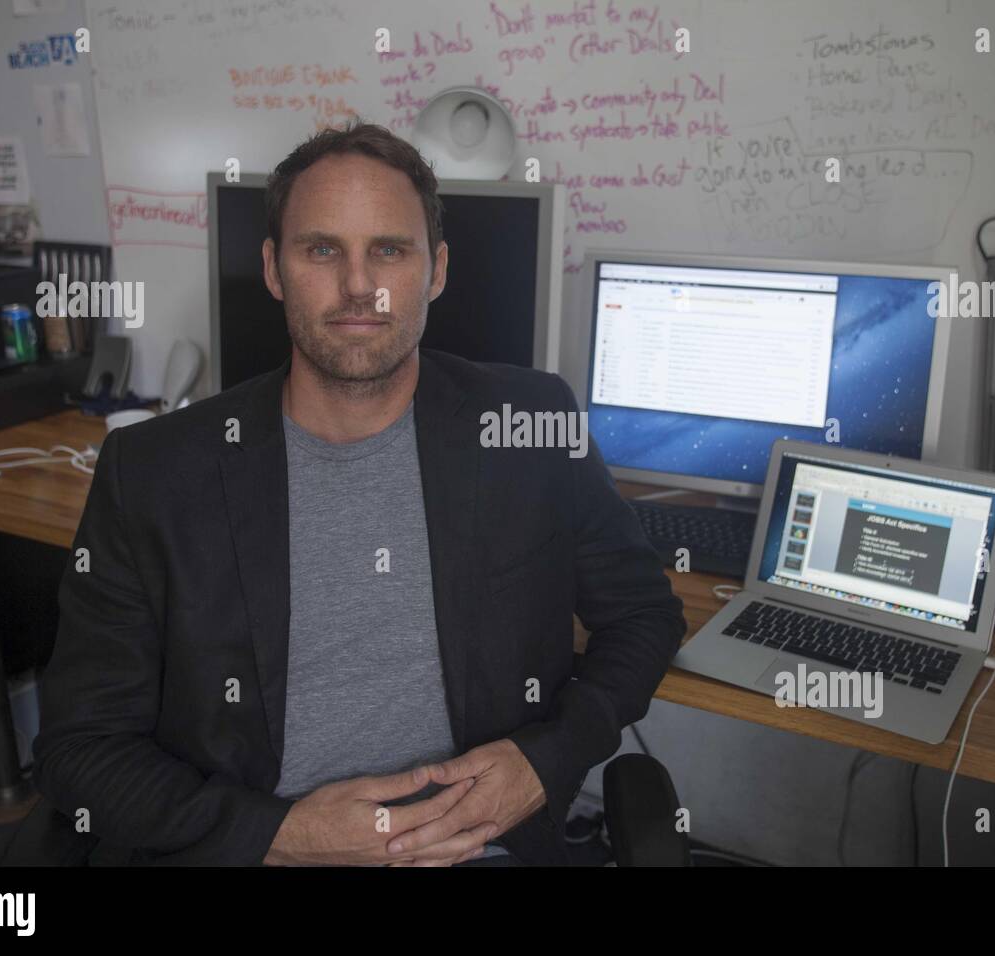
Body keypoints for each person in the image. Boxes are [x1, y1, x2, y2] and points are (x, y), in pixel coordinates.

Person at [34, 121, 686, 866]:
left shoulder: (530, 426)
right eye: (321, 250)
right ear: (275, 270)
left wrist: (545, 762)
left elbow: (643, 616)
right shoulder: (152, 471)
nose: (358, 286)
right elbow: (79, 749)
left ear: (435, 269)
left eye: (389, 249)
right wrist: (279, 836)